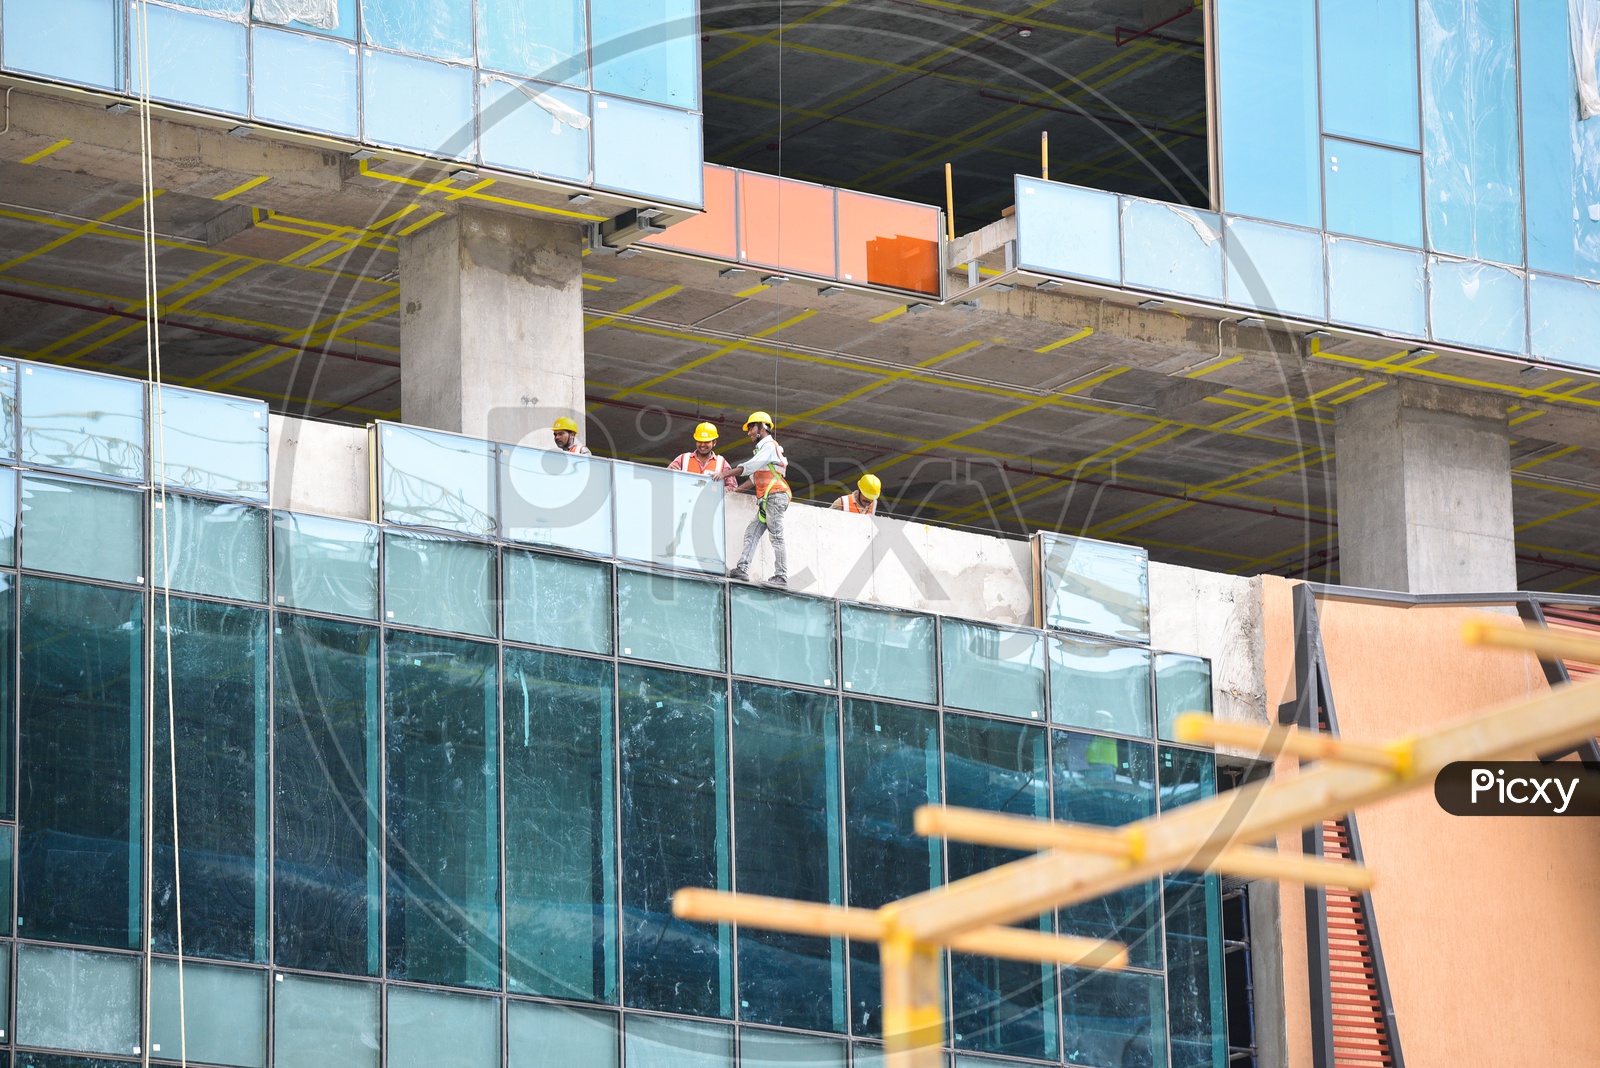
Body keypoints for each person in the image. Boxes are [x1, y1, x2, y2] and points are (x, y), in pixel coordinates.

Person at [725, 410, 789, 587]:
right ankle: (743, 569)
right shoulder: (764, 449)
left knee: (776, 536)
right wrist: (736, 490)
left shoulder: (768, 446)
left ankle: (781, 576)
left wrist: (725, 474)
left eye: (751, 428)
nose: (749, 432)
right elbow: (756, 477)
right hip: (768, 498)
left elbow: (749, 467)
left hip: (775, 496)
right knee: (752, 532)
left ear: (762, 427)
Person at [669, 421, 739, 491]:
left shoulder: (721, 463)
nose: (702, 445)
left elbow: (733, 487)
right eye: (700, 441)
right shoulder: (683, 459)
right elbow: (667, 477)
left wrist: (717, 491)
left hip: (710, 501)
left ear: (714, 443)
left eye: (706, 442)